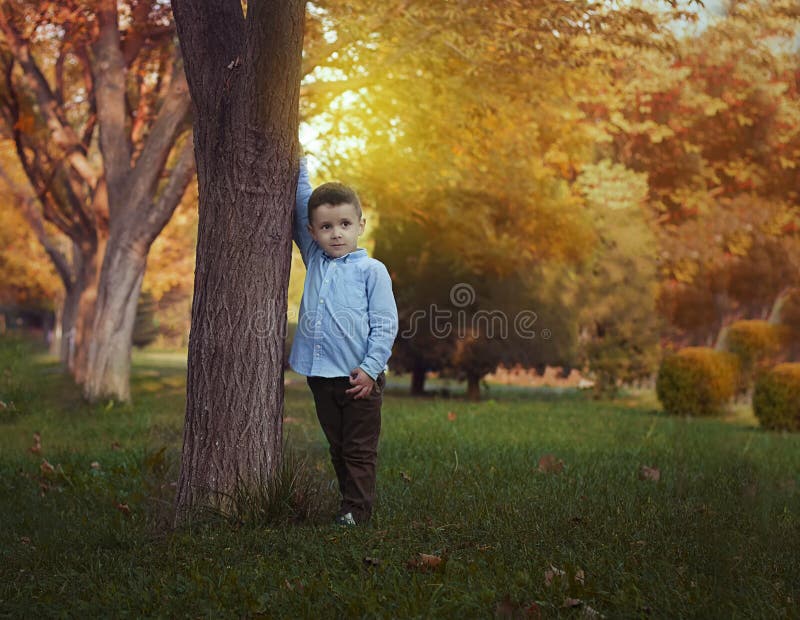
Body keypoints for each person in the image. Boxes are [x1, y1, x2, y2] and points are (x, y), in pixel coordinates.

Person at [289, 156, 398, 526]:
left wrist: (370, 371)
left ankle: (357, 513)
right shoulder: (315, 258)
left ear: (360, 226)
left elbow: (385, 325)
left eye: (345, 224)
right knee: (338, 448)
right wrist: (298, 161)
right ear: (312, 230)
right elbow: (303, 195)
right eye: (327, 226)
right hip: (321, 377)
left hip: (359, 380)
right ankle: (347, 505)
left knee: (358, 449)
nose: (336, 233)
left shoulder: (372, 271)